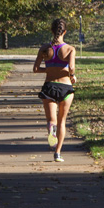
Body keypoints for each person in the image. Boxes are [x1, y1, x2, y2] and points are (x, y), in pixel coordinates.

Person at [32, 18, 76, 162]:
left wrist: (50, 69)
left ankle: (52, 129)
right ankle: (58, 153)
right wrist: (72, 76)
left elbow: (36, 69)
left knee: (52, 120)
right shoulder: (70, 49)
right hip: (66, 87)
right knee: (62, 121)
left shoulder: (44, 49)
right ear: (65, 31)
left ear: (52, 31)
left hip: (49, 86)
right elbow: (71, 68)